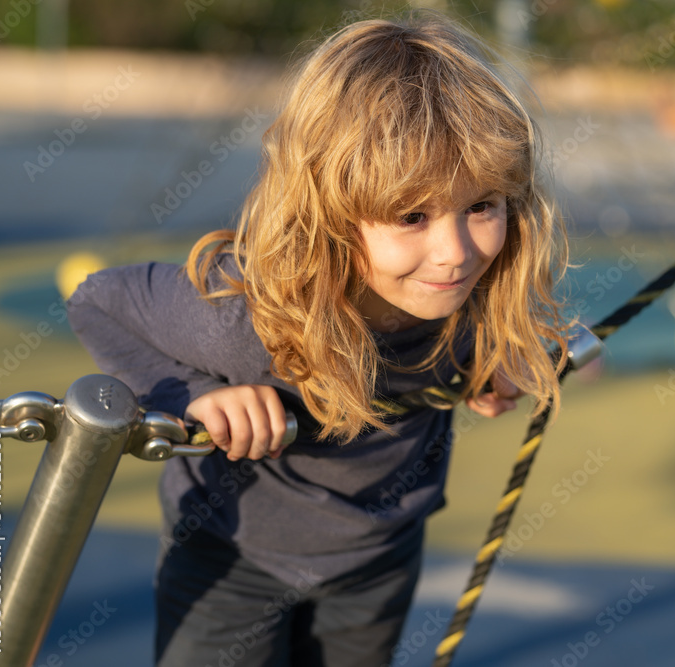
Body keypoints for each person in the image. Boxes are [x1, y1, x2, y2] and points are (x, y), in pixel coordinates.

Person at [68, 15, 571, 666]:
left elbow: (517, 338)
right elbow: (98, 302)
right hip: (234, 557)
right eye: (411, 216)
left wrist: (502, 357)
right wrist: (190, 396)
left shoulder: (471, 303)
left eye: (482, 206)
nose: (455, 252)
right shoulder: (246, 313)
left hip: (376, 563)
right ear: (330, 214)